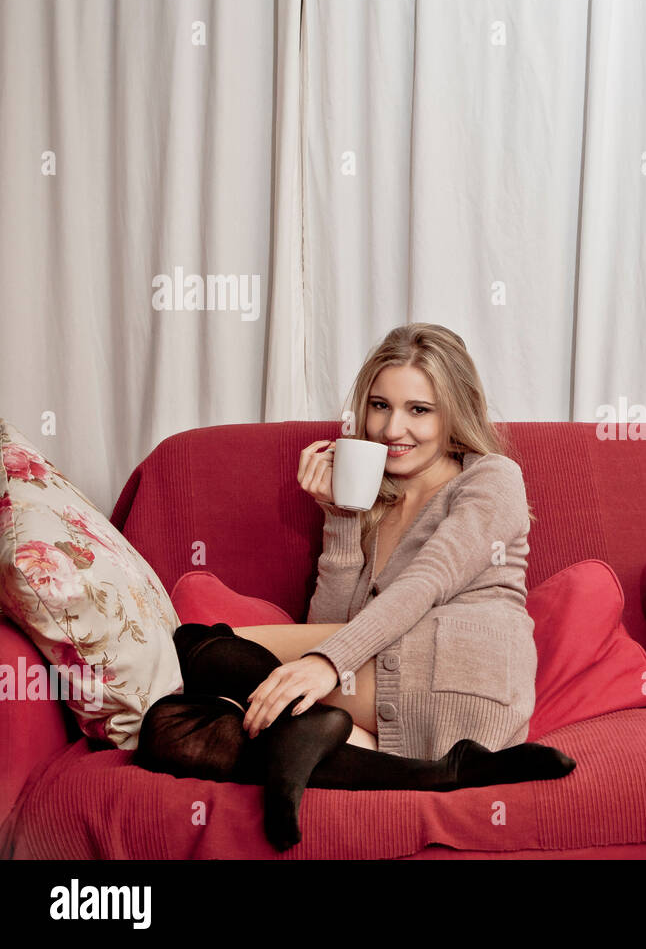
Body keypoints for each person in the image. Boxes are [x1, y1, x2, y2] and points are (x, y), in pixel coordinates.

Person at [132, 324, 574, 850]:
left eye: (419, 410)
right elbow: (334, 623)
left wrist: (325, 665)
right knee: (168, 731)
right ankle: (432, 771)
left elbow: (425, 583)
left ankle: (310, 730)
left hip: (468, 675)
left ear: (455, 413)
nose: (391, 429)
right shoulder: (377, 499)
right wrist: (341, 515)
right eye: (380, 406)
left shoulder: (491, 477)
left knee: (196, 651)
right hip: (397, 697)